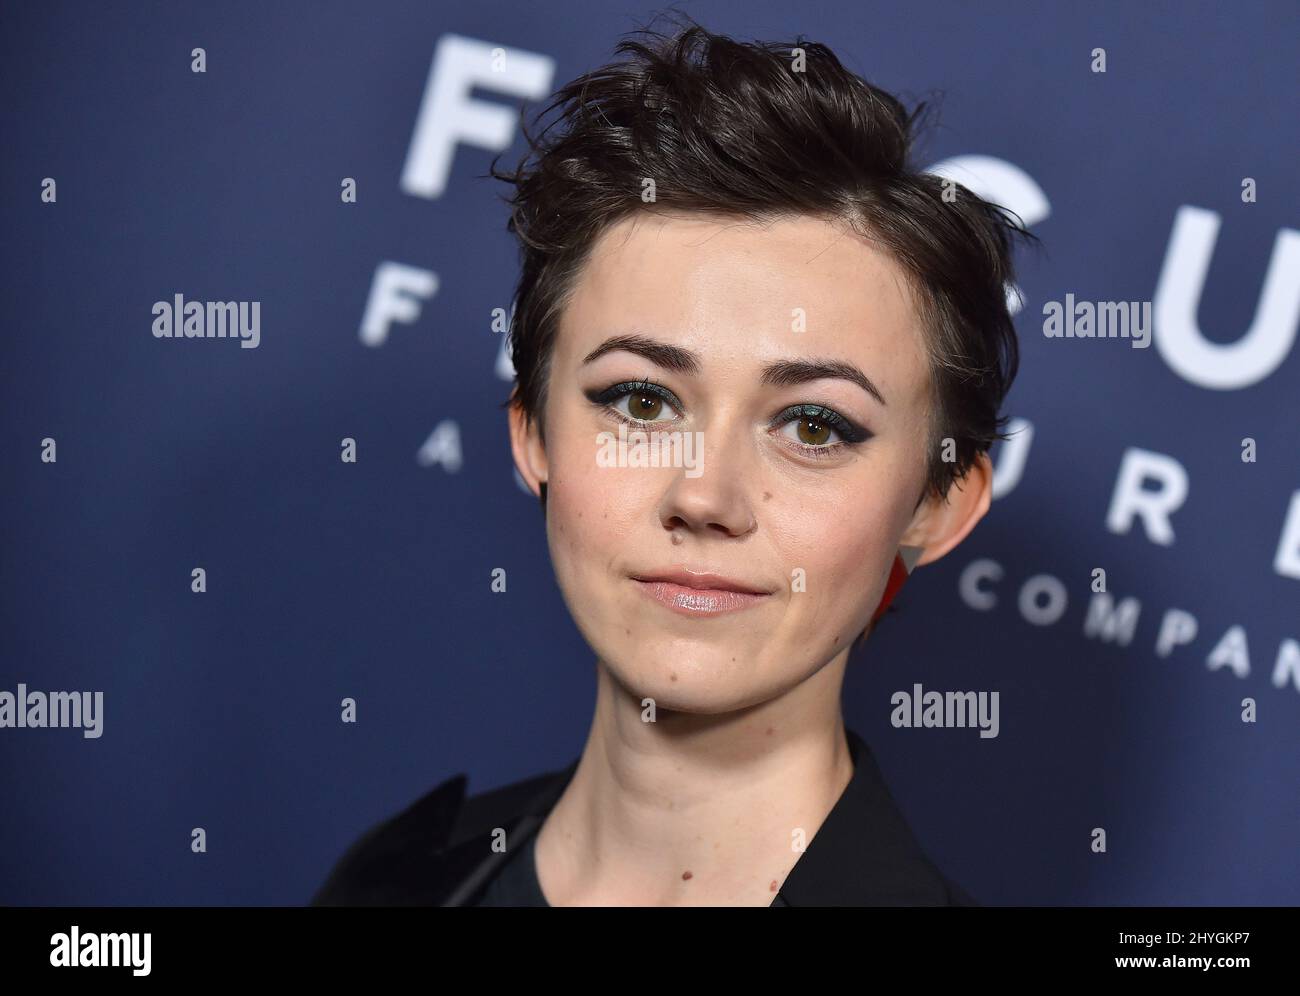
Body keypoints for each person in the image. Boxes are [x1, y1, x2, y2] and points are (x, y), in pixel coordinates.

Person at [312, 14, 1035, 907]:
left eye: (812, 425)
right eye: (642, 401)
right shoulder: (399, 879)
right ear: (532, 432)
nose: (704, 494)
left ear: (941, 502)